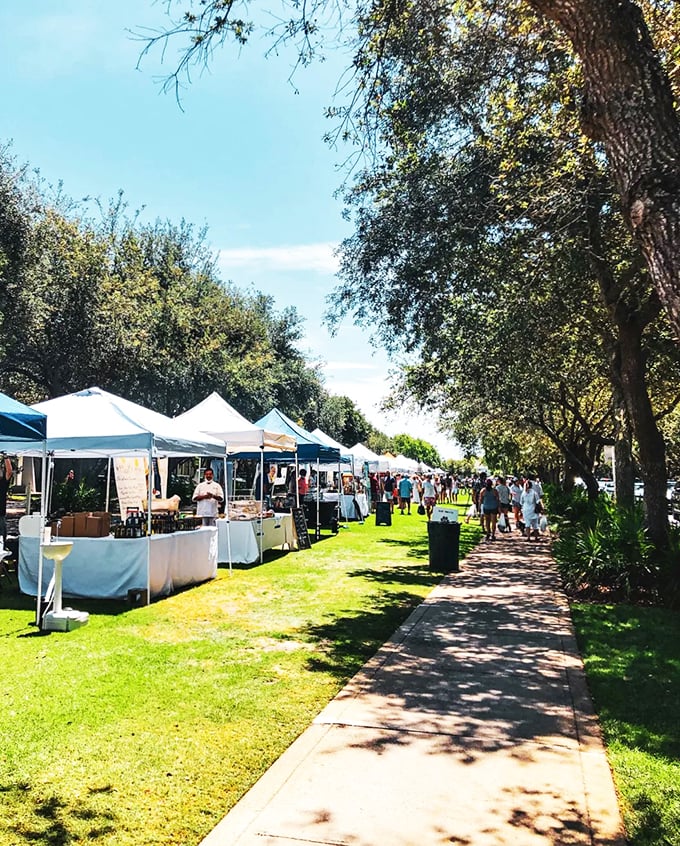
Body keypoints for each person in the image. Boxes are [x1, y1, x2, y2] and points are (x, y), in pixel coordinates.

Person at [0, 456, 13, 548]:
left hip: (0, 516)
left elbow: (9, 471)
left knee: (1, 540)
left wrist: (6, 457)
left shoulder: (3, 483)